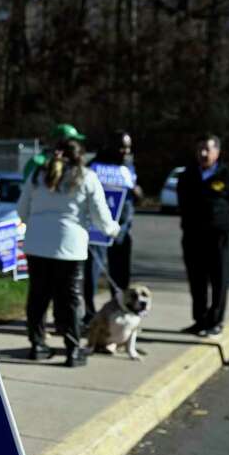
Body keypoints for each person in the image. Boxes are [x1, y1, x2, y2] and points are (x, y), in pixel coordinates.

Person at [17, 139, 120, 367]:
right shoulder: (86, 177)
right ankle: (73, 349)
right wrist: (113, 230)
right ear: (80, 156)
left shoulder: (37, 175)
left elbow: (21, 210)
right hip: (70, 247)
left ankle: (37, 345)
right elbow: (101, 217)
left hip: (37, 244)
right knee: (71, 299)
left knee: (38, 297)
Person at [177, 133, 229, 337]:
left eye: (208, 149)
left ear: (217, 151)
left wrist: (226, 225)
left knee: (219, 280)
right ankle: (199, 319)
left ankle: (215, 321)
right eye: (200, 149)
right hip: (193, 237)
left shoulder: (228, 176)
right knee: (196, 280)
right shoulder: (188, 175)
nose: (203, 153)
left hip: (219, 239)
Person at [83, 130, 143, 323]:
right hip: (97, 229)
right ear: (109, 146)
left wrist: (135, 189)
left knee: (120, 273)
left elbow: (138, 197)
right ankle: (89, 313)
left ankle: (120, 309)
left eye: (128, 147)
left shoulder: (128, 166)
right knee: (92, 271)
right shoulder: (93, 166)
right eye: (121, 147)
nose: (125, 151)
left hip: (122, 229)